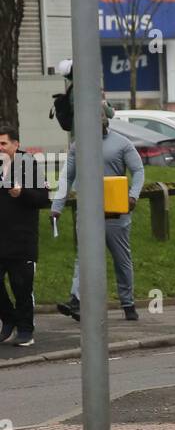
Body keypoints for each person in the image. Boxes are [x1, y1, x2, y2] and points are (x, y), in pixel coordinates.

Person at [51, 107, 144, 322]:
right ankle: (77, 299)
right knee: (83, 257)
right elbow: (67, 177)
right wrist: (57, 206)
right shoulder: (78, 146)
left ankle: (127, 302)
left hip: (116, 212)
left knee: (121, 259)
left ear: (105, 123)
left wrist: (133, 196)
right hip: (87, 212)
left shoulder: (122, 143)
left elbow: (138, 171)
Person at [0, 125, 50, 347]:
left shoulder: (28, 164)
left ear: (16, 144)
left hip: (21, 239)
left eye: (3, 143)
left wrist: (22, 193)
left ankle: (25, 330)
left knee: (21, 287)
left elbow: (43, 199)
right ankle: (9, 319)